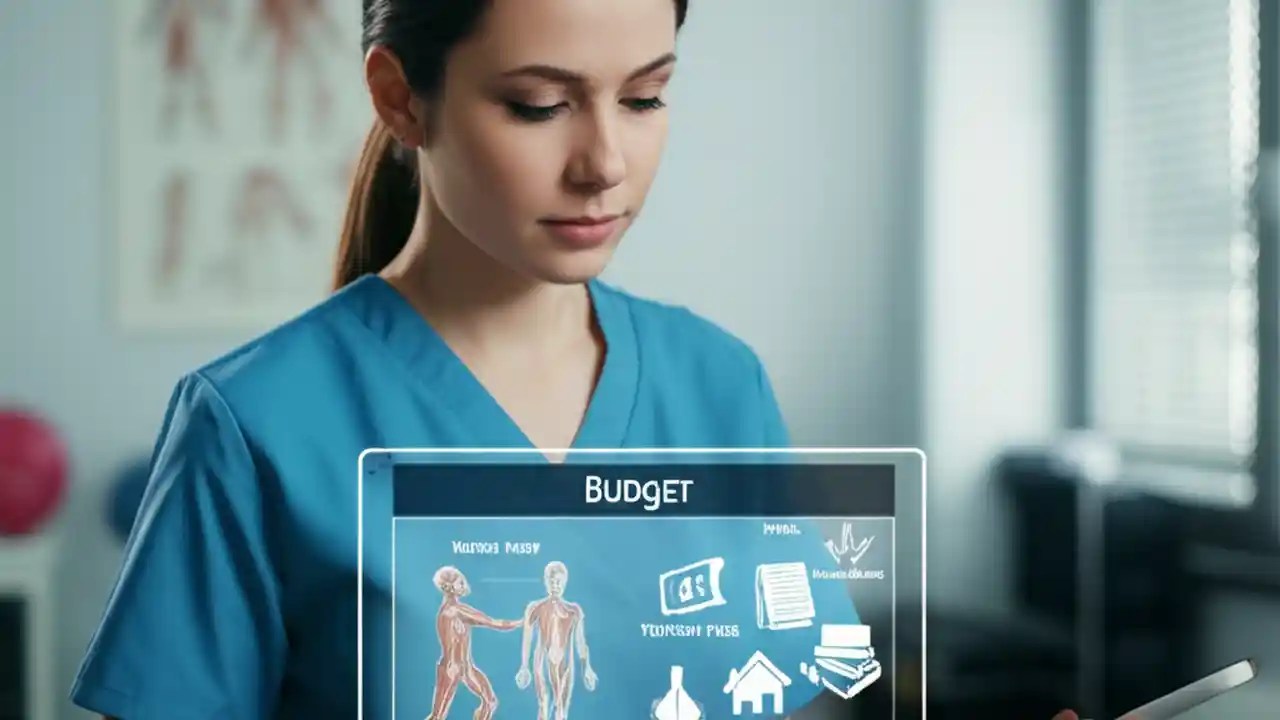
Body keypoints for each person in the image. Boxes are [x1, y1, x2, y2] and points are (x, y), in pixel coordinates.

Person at [69, 0, 1081, 718]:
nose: (605, 164)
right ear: (399, 99)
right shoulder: (254, 428)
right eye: (539, 105)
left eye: (643, 99)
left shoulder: (717, 384)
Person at [425, 567, 521, 720]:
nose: (464, 586)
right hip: (452, 668)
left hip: (464, 667)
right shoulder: (456, 610)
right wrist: (522, 622)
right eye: (460, 583)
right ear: (449, 587)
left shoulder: (452, 610)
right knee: (438, 716)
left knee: (490, 701)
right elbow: (494, 623)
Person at [515, 561, 596, 720]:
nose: (555, 585)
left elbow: (580, 642)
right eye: (551, 581)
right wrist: (524, 666)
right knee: (544, 704)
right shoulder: (535, 607)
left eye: (559, 582)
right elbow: (527, 639)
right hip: (543, 661)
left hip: (565, 663)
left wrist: (587, 667)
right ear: (545, 582)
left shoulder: (573, 611)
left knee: (562, 711)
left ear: (565, 582)